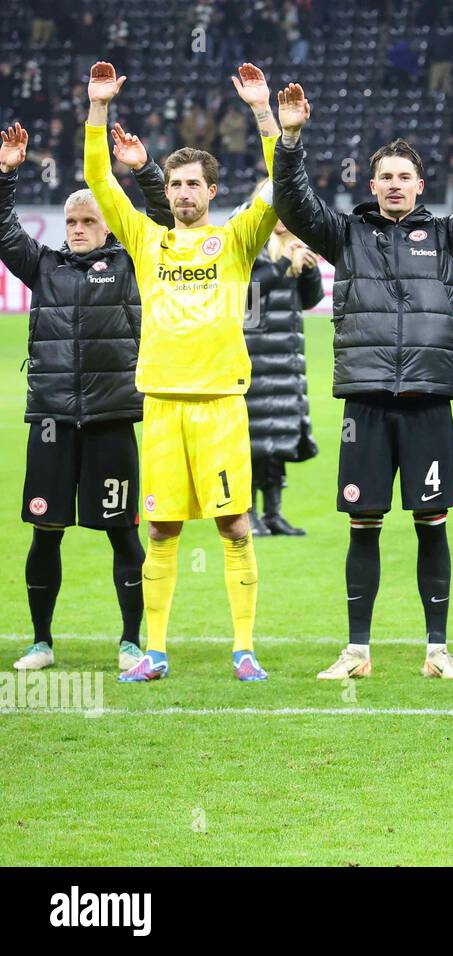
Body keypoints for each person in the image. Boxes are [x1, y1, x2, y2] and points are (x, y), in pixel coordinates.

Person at [272, 82, 453, 681]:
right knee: (364, 525)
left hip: (429, 401)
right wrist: (291, 140)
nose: (395, 184)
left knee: (433, 525)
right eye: (386, 177)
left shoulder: (445, 238)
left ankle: (437, 650)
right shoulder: (346, 237)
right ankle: (357, 651)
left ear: (420, 185)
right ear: (372, 185)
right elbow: (294, 203)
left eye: (405, 176)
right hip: (367, 401)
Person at [84, 62, 281, 683]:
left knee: (234, 524)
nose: (183, 194)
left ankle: (244, 649)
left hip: (221, 402)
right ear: (165, 192)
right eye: (174, 185)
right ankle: (156, 651)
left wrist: (262, 112)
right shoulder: (146, 242)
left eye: (193, 184)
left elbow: (284, 184)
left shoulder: (237, 239)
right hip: (163, 405)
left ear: (212, 191)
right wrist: (98, 108)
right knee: (163, 526)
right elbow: (98, 179)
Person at [2, 120, 171, 673]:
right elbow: (4, 230)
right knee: (44, 530)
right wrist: (7, 172)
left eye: (87, 220)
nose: (76, 228)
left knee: (122, 533)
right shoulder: (43, 266)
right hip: (50, 421)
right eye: (71, 220)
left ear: (107, 224)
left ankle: (129, 641)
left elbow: (165, 218)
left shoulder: (132, 264)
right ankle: (41, 642)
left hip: (110, 419)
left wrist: (142, 170)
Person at [243, 207, 323, 537]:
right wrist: (281, 266)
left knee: (278, 439)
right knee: (251, 441)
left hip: (287, 361)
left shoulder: (293, 246)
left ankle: (274, 513)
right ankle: (247, 514)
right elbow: (250, 309)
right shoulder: (249, 246)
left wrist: (308, 269)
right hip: (255, 361)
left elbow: (309, 300)